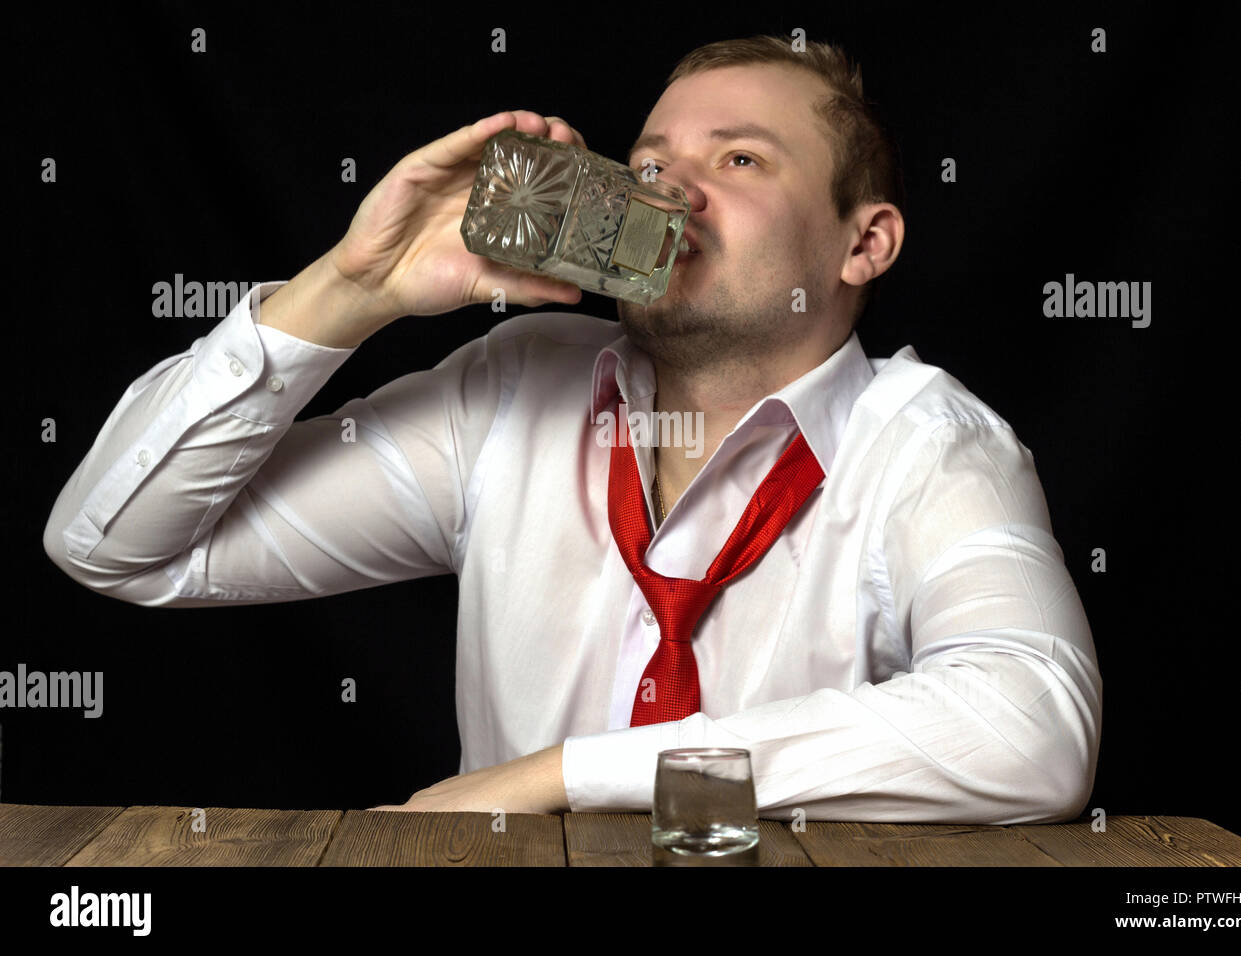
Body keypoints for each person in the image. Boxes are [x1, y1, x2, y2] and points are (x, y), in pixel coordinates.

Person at [43, 35, 1101, 823]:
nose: (671, 190)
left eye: (739, 161)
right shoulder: (509, 390)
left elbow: (1032, 731)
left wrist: (560, 777)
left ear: (862, 244)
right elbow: (117, 546)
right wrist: (351, 288)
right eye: (648, 165)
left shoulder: (930, 444)